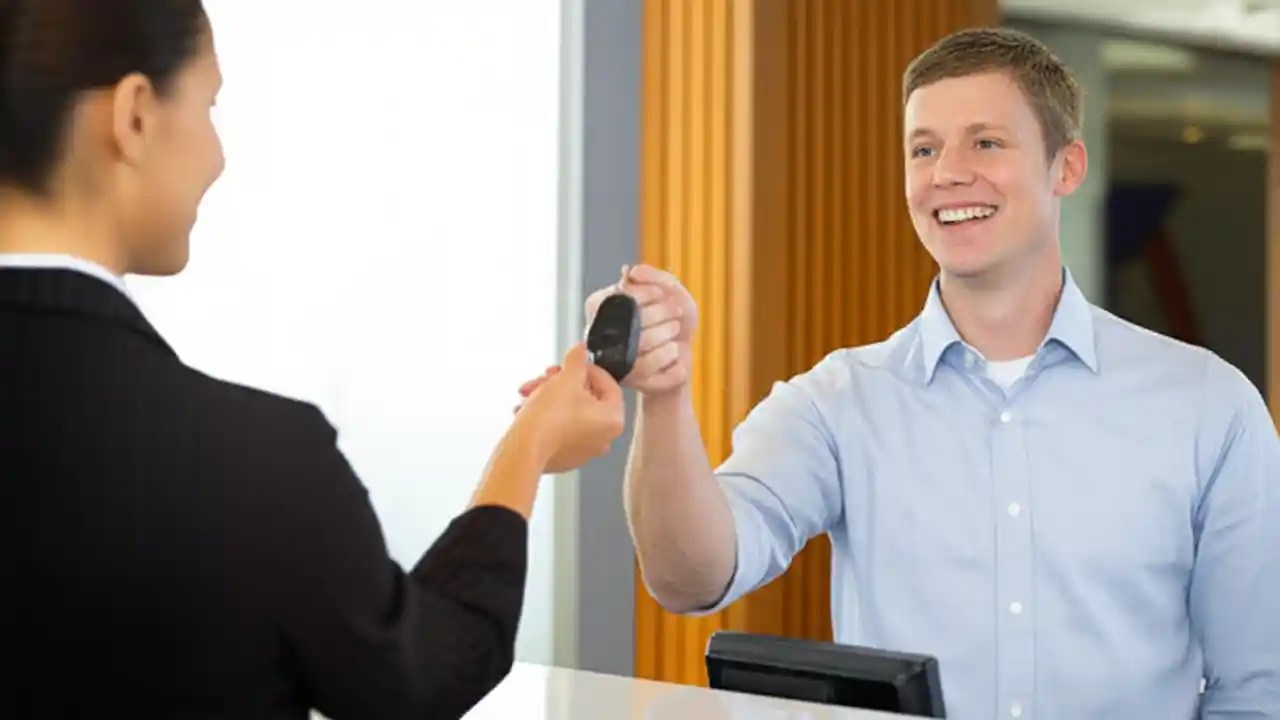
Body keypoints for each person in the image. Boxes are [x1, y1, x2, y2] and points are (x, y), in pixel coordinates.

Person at [523, 27, 1279, 720]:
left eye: (985, 143)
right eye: (923, 149)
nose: (948, 174)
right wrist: (666, 395)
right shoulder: (837, 402)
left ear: (1066, 166)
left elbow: (1258, 685)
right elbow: (691, 576)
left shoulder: (1208, 405)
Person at [0, 1, 624, 718]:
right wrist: (531, 444)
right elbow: (419, 680)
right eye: (209, 105)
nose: (217, 154)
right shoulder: (254, 461)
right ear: (135, 114)